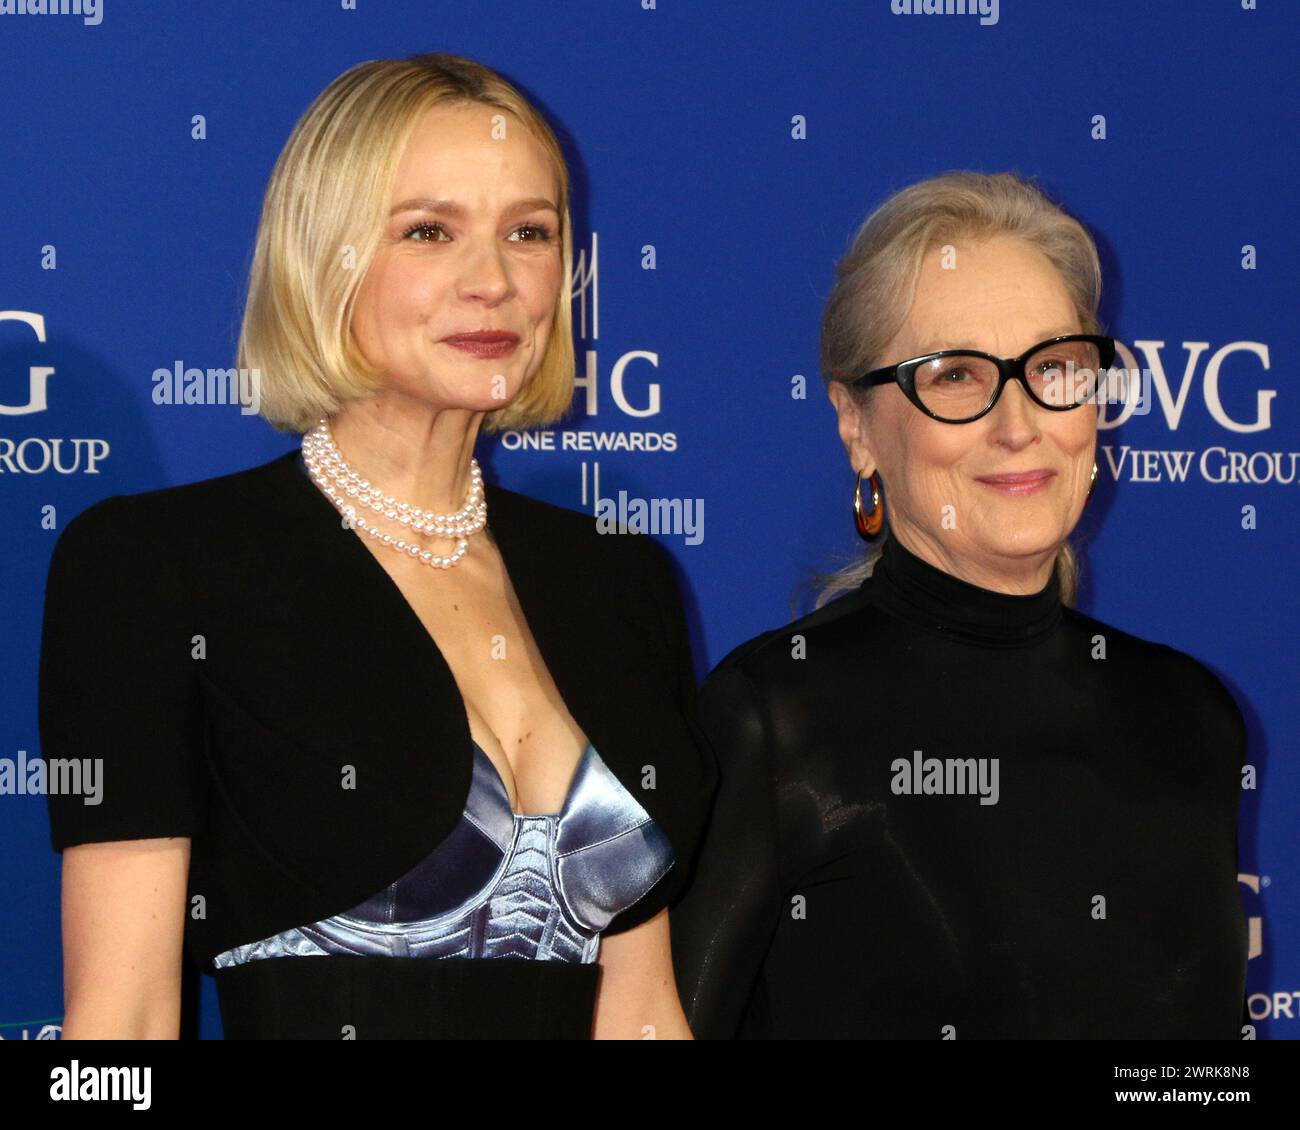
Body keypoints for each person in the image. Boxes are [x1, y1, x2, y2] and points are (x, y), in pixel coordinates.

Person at [41, 52, 715, 1040]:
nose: (492, 281)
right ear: (325, 257)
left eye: (528, 232)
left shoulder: (615, 577)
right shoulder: (161, 568)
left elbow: (643, 1008)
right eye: (429, 232)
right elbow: (125, 1019)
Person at [669, 171, 1249, 1039]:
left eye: (1054, 369)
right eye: (955, 377)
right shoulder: (774, 722)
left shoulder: (1186, 716)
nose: (1018, 424)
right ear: (856, 426)